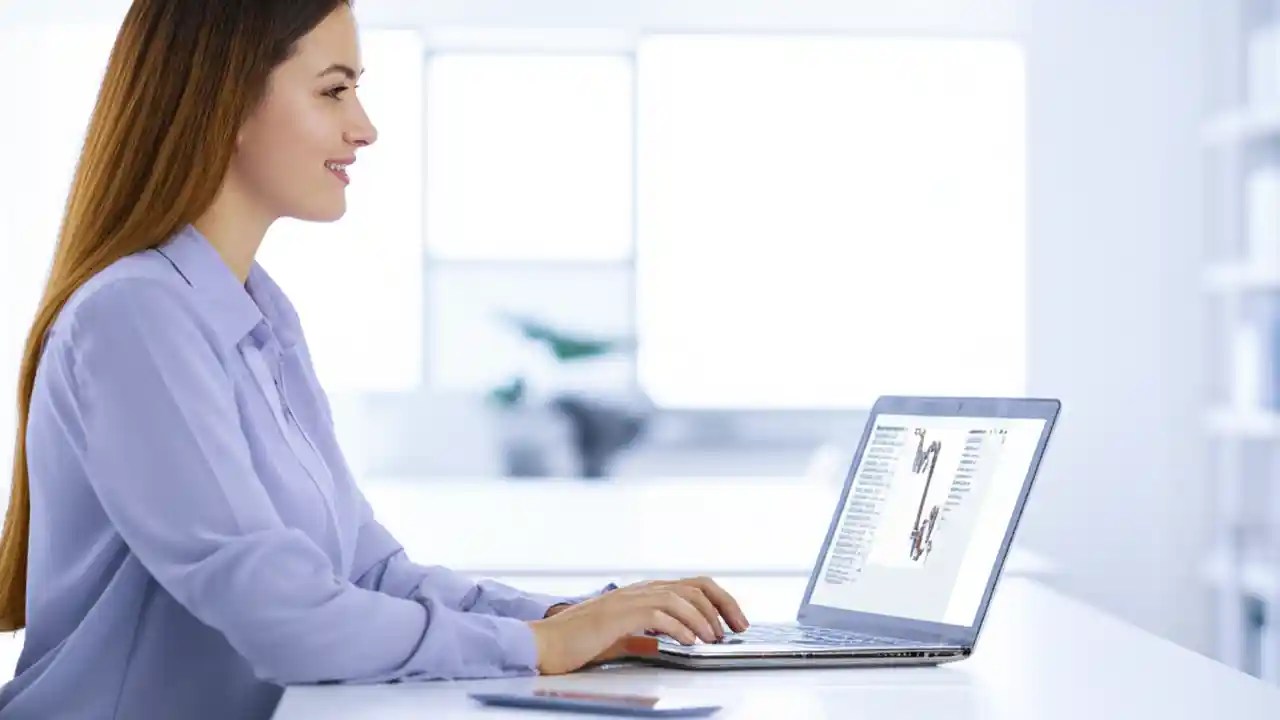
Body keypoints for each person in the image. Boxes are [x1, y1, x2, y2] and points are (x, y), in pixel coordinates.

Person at [0, 1, 749, 717]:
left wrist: (574, 618)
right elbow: (281, 615)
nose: (365, 129)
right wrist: (537, 646)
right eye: (334, 92)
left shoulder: (258, 313)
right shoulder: (136, 315)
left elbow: (367, 572)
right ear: (226, 101)